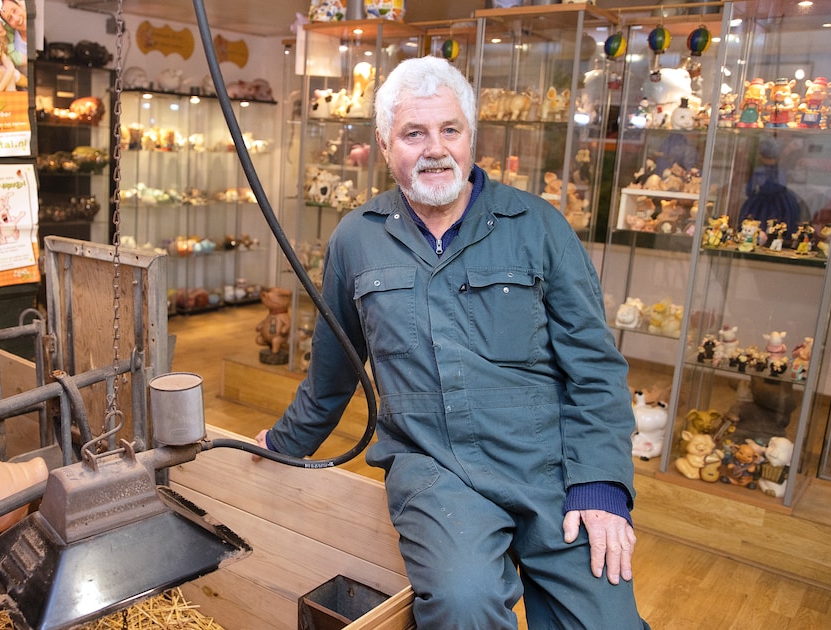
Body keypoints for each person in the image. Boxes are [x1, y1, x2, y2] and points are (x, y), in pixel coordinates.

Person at [252, 56, 648, 629]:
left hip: (549, 469)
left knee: (606, 623)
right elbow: (332, 374)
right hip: (435, 472)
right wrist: (282, 446)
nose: (435, 148)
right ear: (386, 146)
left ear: (470, 138)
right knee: (462, 604)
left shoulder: (537, 226)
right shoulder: (356, 238)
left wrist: (601, 483)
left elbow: (596, 371)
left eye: (450, 130)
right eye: (414, 133)